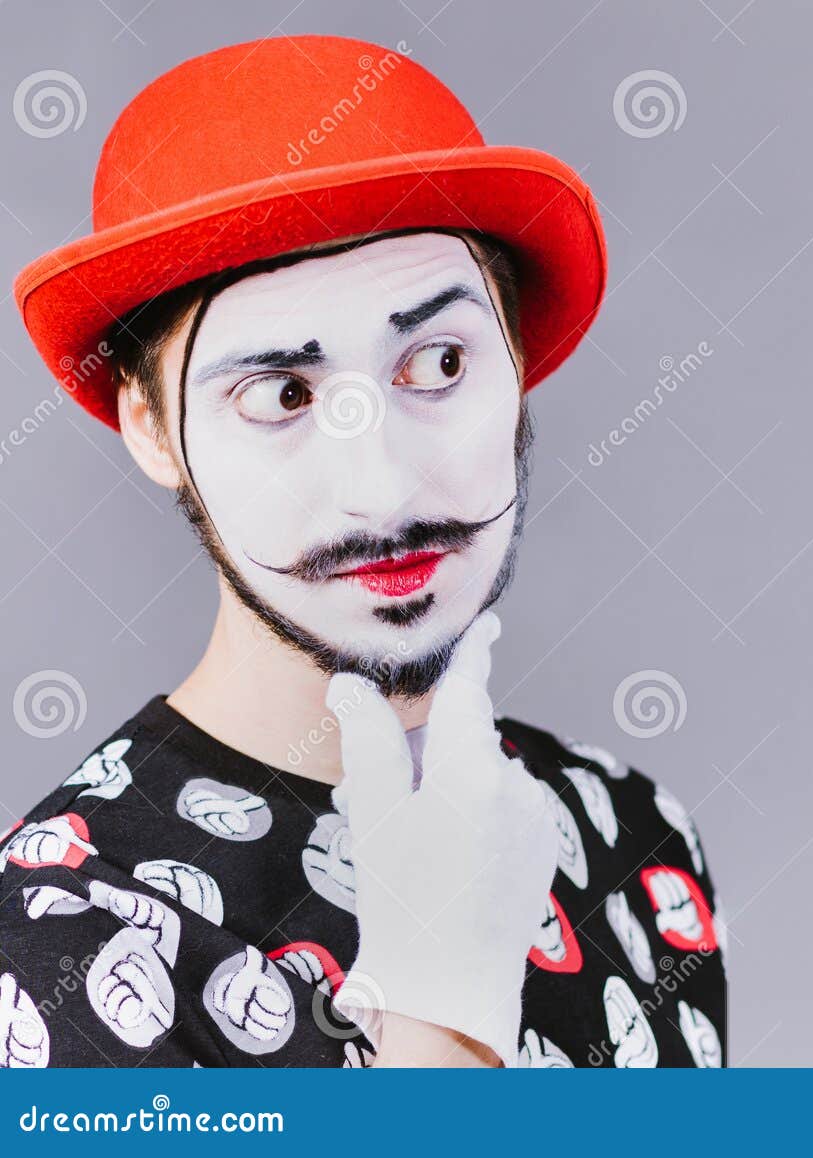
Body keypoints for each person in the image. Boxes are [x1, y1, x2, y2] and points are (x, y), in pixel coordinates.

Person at [0, 34, 725, 1069]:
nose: (383, 488)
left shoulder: (635, 833)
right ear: (152, 428)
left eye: (437, 362)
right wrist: (441, 1012)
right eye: (282, 395)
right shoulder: (59, 936)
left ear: (514, 368)